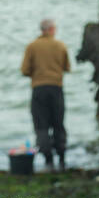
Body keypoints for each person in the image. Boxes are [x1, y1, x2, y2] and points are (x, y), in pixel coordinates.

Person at [20, 18, 71, 169]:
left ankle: (48, 160)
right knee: (58, 123)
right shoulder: (60, 46)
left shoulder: (31, 46)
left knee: (41, 125)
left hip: (39, 90)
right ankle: (61, 158)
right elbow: (67, 67)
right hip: (56, 88)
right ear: (51, 30)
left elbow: (25, 70)